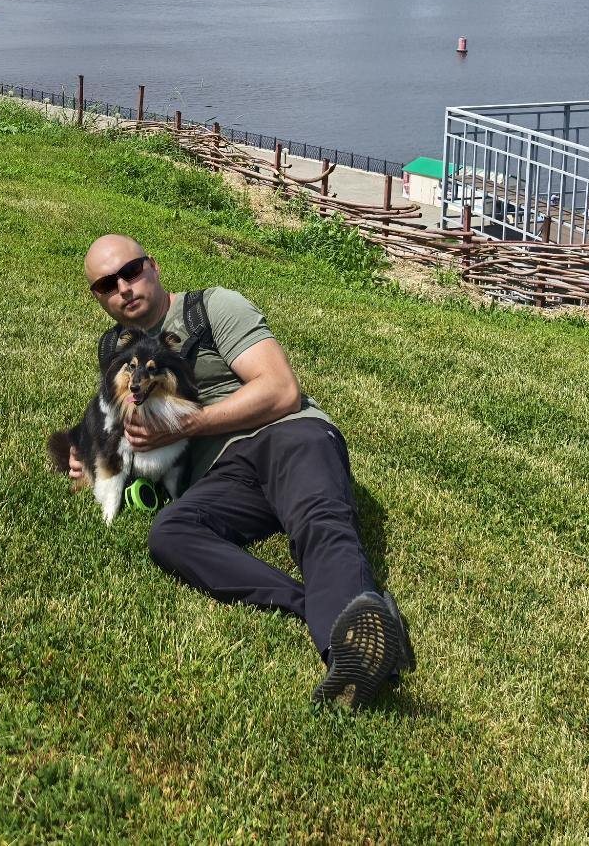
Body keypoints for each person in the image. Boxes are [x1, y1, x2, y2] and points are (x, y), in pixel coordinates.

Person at [69, 234, 413, 707]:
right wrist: (88, 455)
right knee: (169, 533)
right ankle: (316, 604)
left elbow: (280, 390)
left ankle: (352, 654)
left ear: (153, 265)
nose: (124, 287)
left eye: (130, 271)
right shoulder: (116, 350)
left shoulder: (212, 308)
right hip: (221, 477)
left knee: (320, 520)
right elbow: (117, 423)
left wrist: (193, 423)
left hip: (286, 436)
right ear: (99, 298)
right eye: (108, 284)